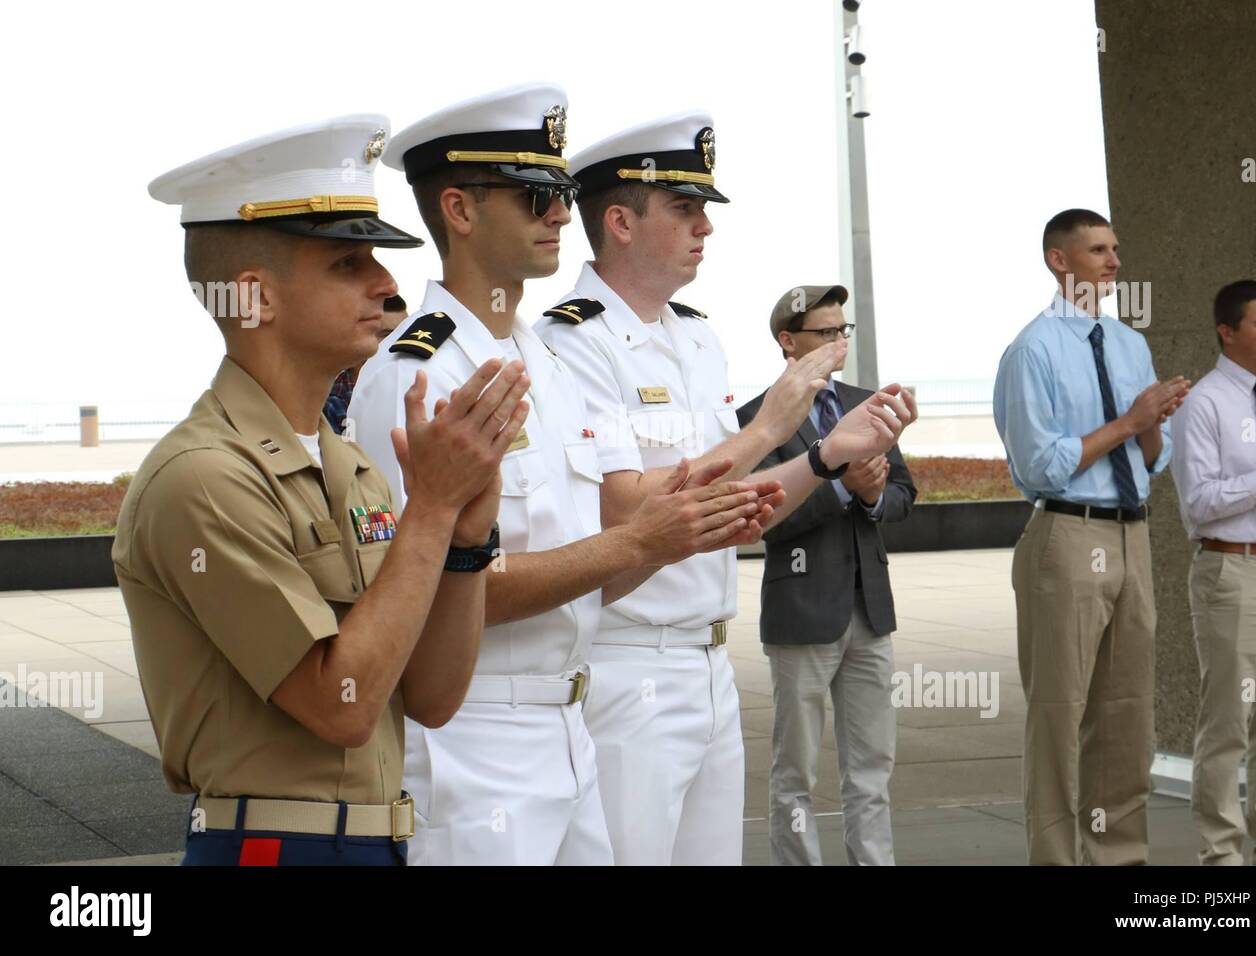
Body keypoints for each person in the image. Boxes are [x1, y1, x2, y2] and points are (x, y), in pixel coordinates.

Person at [348, 85, 776, 865]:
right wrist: (636, 543)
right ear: (460, 210)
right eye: (538, 194)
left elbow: (584, 559)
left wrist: (676, 534)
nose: (559, 213)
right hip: (474, 736)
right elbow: (428, 589)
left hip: (569, 726)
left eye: (563, 194)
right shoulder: (417, 374)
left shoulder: (542, 360)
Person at [118, 115, 529, 865]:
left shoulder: (349, 467)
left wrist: (467, 540)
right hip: (275, 849)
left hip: (373, 843)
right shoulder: (204, 478)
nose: (386, 283)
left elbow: (433, 698)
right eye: (347, 264)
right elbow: (339, 706)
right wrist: (432, 508)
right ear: (254, 298)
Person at [538, 113, 916, 865]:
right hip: (631, 664)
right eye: (684, 209)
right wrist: (769, 425)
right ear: (619, 221)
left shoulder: (697, 338)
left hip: (708, 659)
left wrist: (829, 457)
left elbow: (731, 506)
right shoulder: (570, 344)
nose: (705, 227)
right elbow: (624, 507)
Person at [992, 207, 1189, 865]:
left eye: (1116, 248)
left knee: (1128, 716)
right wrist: (1132, 419)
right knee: (1059, 716)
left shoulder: (1129, 344)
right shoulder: (1033, 349)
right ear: (1060, 260)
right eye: (1100, 250)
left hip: (1133, 535)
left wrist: (1156, 420)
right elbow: (1039, 464)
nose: (1114, 261)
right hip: (1067, 535)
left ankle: (1118, 859)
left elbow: (1152, 460)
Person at [737, 284, 916, 866]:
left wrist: (871, 499)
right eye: (826, 333)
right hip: (802, 613)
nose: (839, 343)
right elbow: (764, 518)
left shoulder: (870, 401)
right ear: (789, 342)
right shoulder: (756, 418)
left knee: (872, 769)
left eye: (844, 331)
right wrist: (843, 486)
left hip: (870, 611)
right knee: (796, 772)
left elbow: (904, 494)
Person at [1170, 279, 1256, 866]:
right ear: (1228, 331)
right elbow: (1199, 502)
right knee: (1228, 721)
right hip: (1232, 571)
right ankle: (1222, 858)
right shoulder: (1203, 404)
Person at [325, 294, 408, 435]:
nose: (399, 341)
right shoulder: (334, 403)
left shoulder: (420, 387)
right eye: (388, 335)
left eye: (406, 332)